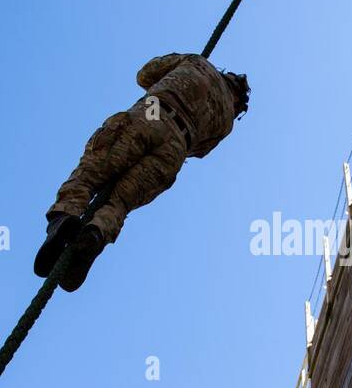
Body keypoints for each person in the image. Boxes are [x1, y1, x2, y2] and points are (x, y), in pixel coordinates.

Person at [34, 54, 250, 292]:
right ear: (239, 103)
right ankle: (94, 235)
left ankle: (63, 217)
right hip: (177, 146)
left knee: (91, 174)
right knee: (120, 202)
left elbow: (145, 74)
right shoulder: (227, 121)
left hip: (153, 111)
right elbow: (200, 151)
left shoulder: (197, 62)